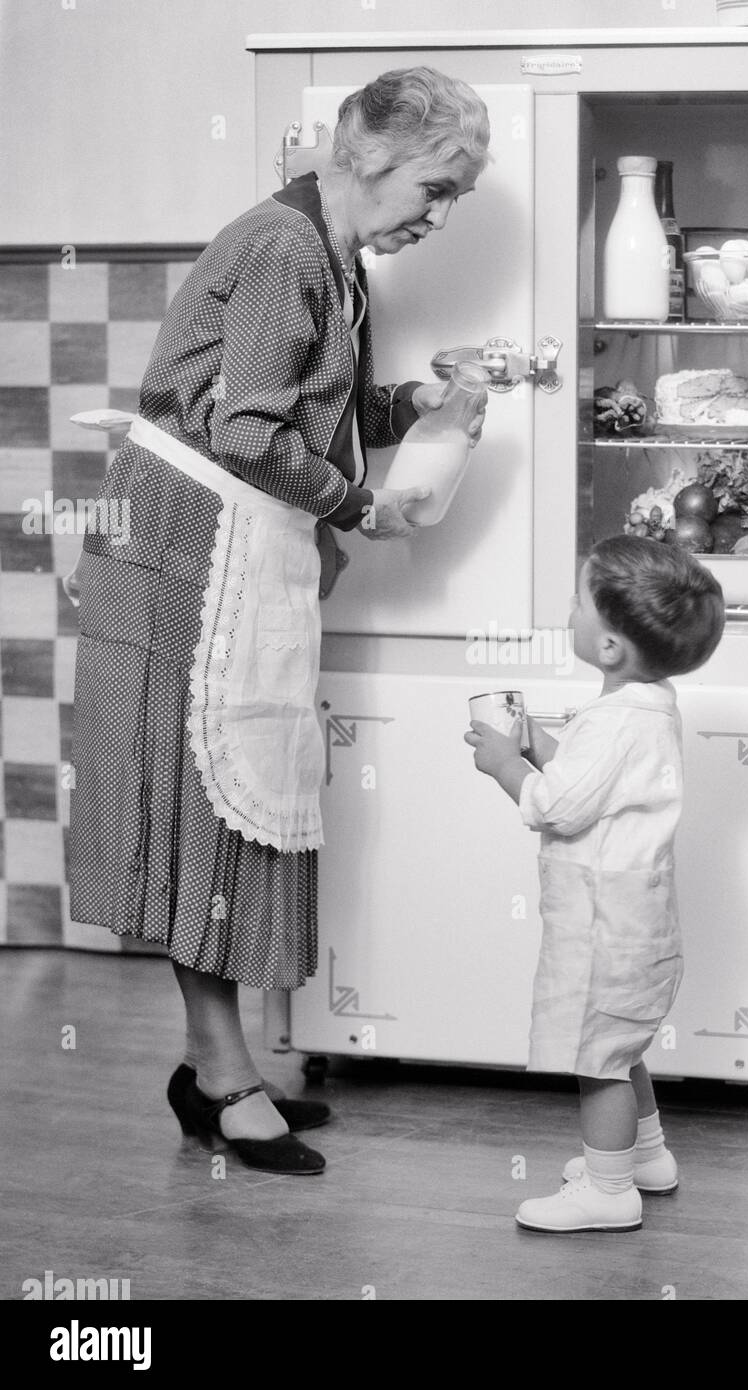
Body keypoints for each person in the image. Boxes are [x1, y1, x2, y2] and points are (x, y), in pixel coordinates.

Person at [66, 67, 491, 1176]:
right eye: (435, 189)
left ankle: (224, 1067)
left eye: (457, 200)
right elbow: (251, 435)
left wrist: (425, 406)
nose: (437, 217)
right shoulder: (284, 249)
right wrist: (361, 504)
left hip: (224, 548)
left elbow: (318, 411)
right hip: (182, 552)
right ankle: (219, 1075)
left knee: (238, 806)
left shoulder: (335, 261)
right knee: (203, 812)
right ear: (365, 156)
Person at [464, 535, 725, 1231]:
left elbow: (557, 804)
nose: (567, 610)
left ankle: (608, 1193)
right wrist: (533, 746)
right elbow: (588, 782)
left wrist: (503, 766)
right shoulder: (645, 705)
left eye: (576, 602)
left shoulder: (616, 722)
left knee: (597, 1057)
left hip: (602, 926)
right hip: (634, 920)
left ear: (609, 646)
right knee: (621, 1043)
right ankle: (644, 1156)